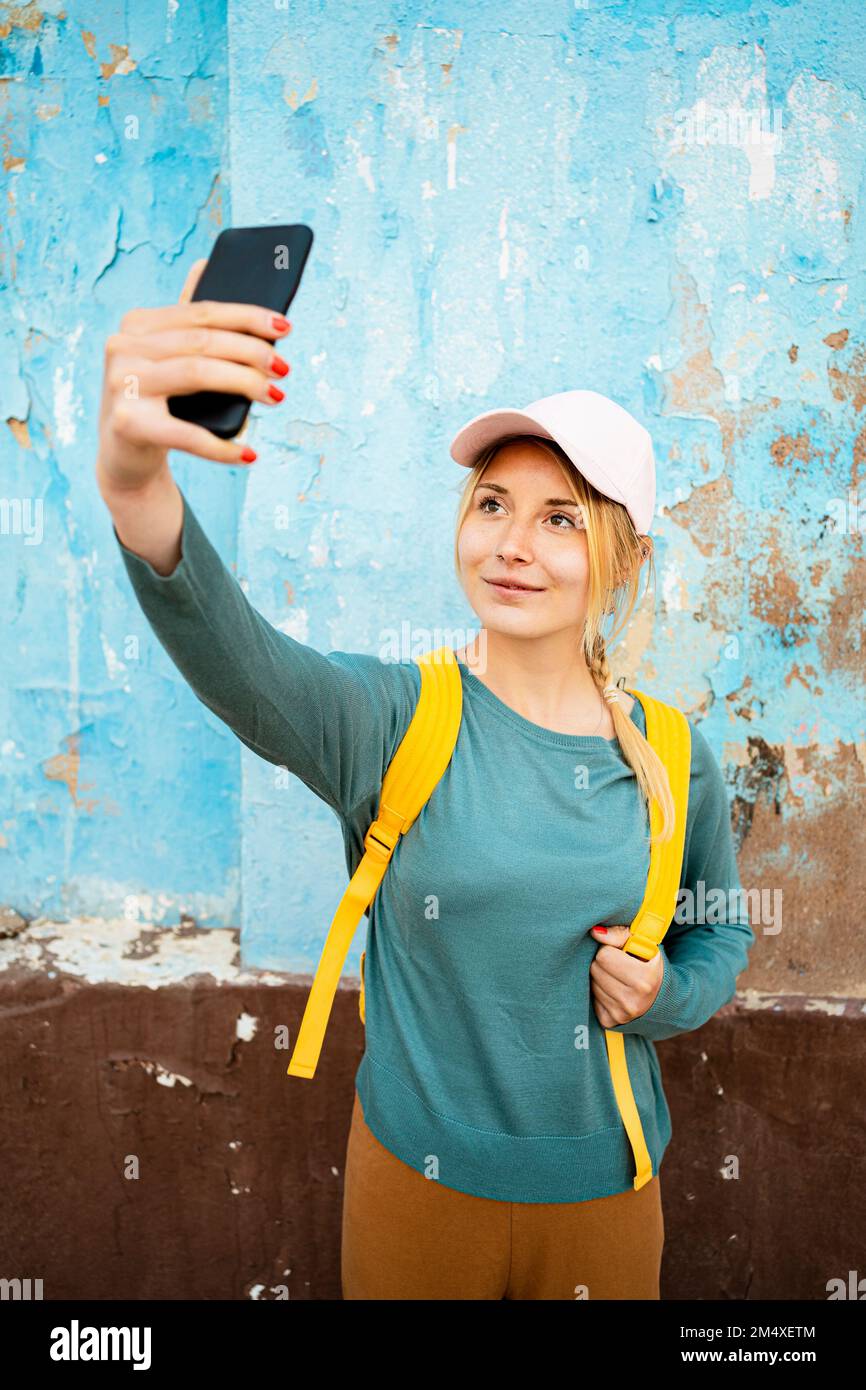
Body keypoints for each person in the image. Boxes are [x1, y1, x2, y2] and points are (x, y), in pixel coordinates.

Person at [96, 261, 755, 1301]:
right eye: (491, 502)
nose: (509, 543)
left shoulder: (673, 756)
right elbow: (239, 661)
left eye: (558, 517)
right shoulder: (394, 718)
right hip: (413, 1187)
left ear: (623, 561)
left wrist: (666, 993)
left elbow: (717, 933)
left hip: (604, 1199)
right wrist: (135, 479)